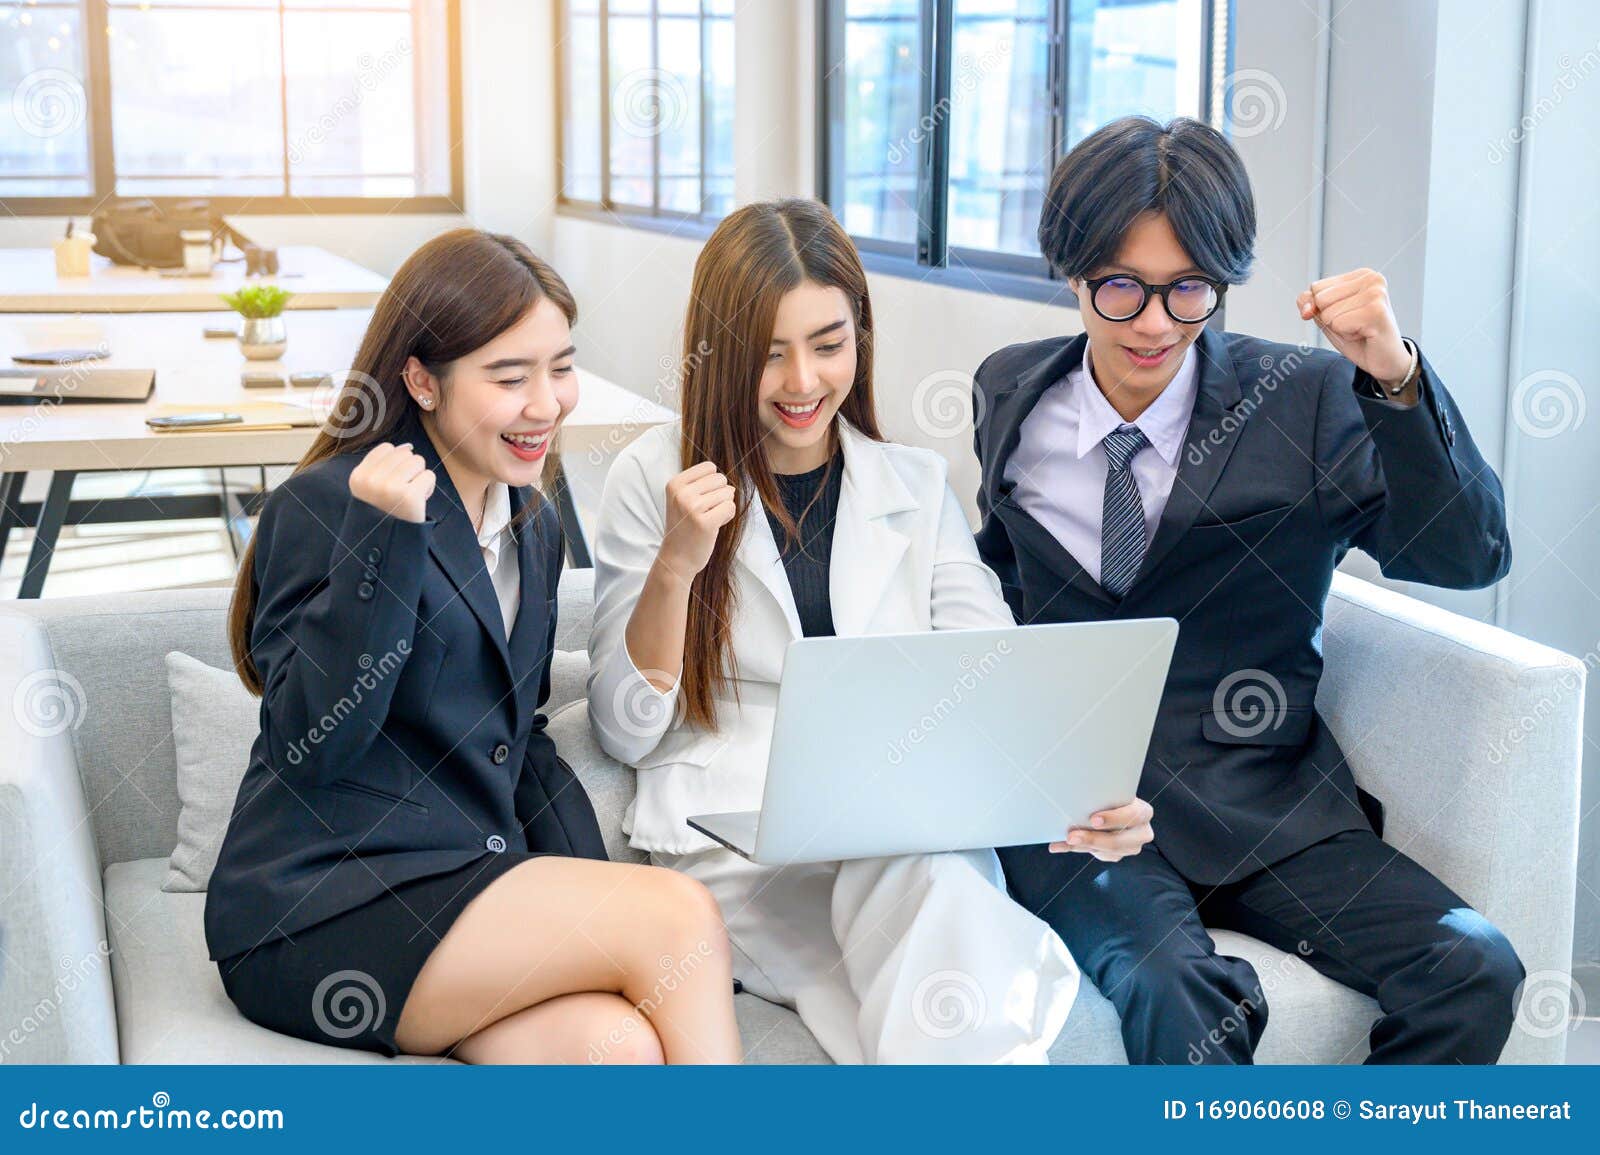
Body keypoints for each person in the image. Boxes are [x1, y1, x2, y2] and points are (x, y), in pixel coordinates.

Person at [972, 115, 1524, 1064]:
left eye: (1189, 290)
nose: (1155, 323)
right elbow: (996, 585)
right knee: (1174, 987)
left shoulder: (1308, 398)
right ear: (1070, 272)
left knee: (1474, 963)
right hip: (1080, 811)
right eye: (1121, 288)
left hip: (1263, 804)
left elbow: (1466, 554)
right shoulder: (1009, 390)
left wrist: (1394, 376)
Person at [586, 198, 1150, 1064]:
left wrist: (1081, 799)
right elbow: (625, 731)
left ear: (862, 337)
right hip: (743, 842)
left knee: (924, 889)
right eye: (768, 354)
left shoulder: (916, 485)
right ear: (721, 353)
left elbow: (994, 685)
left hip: (904, 830)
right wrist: (675, 566)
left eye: (828, 343)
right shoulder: (650, 478)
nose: (803, 381)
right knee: (948, 957)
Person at [205, 229, 742, 1064]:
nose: (546, 403)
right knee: (678, 913)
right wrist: (382, 541)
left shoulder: (534, 523)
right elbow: (310, 745)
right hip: (317, 902)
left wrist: (590, 899)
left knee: (615, 1046)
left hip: (459, 887)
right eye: (508, 376)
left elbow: (516, 742)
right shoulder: (327, 506)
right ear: (421, 379)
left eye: (559, 367)